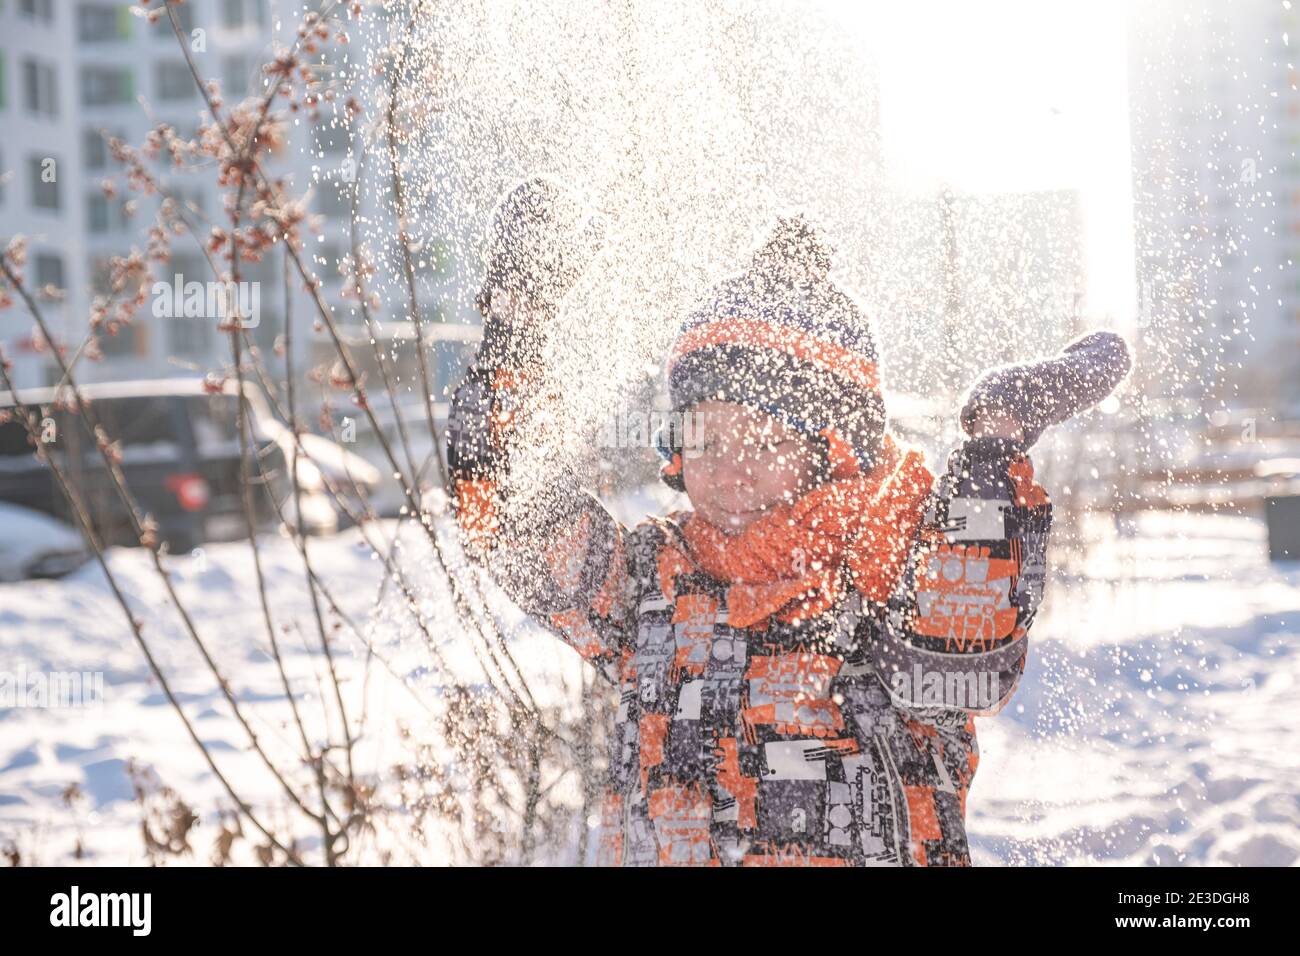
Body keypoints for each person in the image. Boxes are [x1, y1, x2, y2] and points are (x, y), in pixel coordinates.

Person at [447, 183, 1131, 866]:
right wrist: (516, 326)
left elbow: (968, 655)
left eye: (765, 443)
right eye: (706, 442)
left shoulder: (888, 566)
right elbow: (507, 516)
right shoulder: (656, 583)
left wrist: (993, 449)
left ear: (837, 451)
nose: (729, 472)